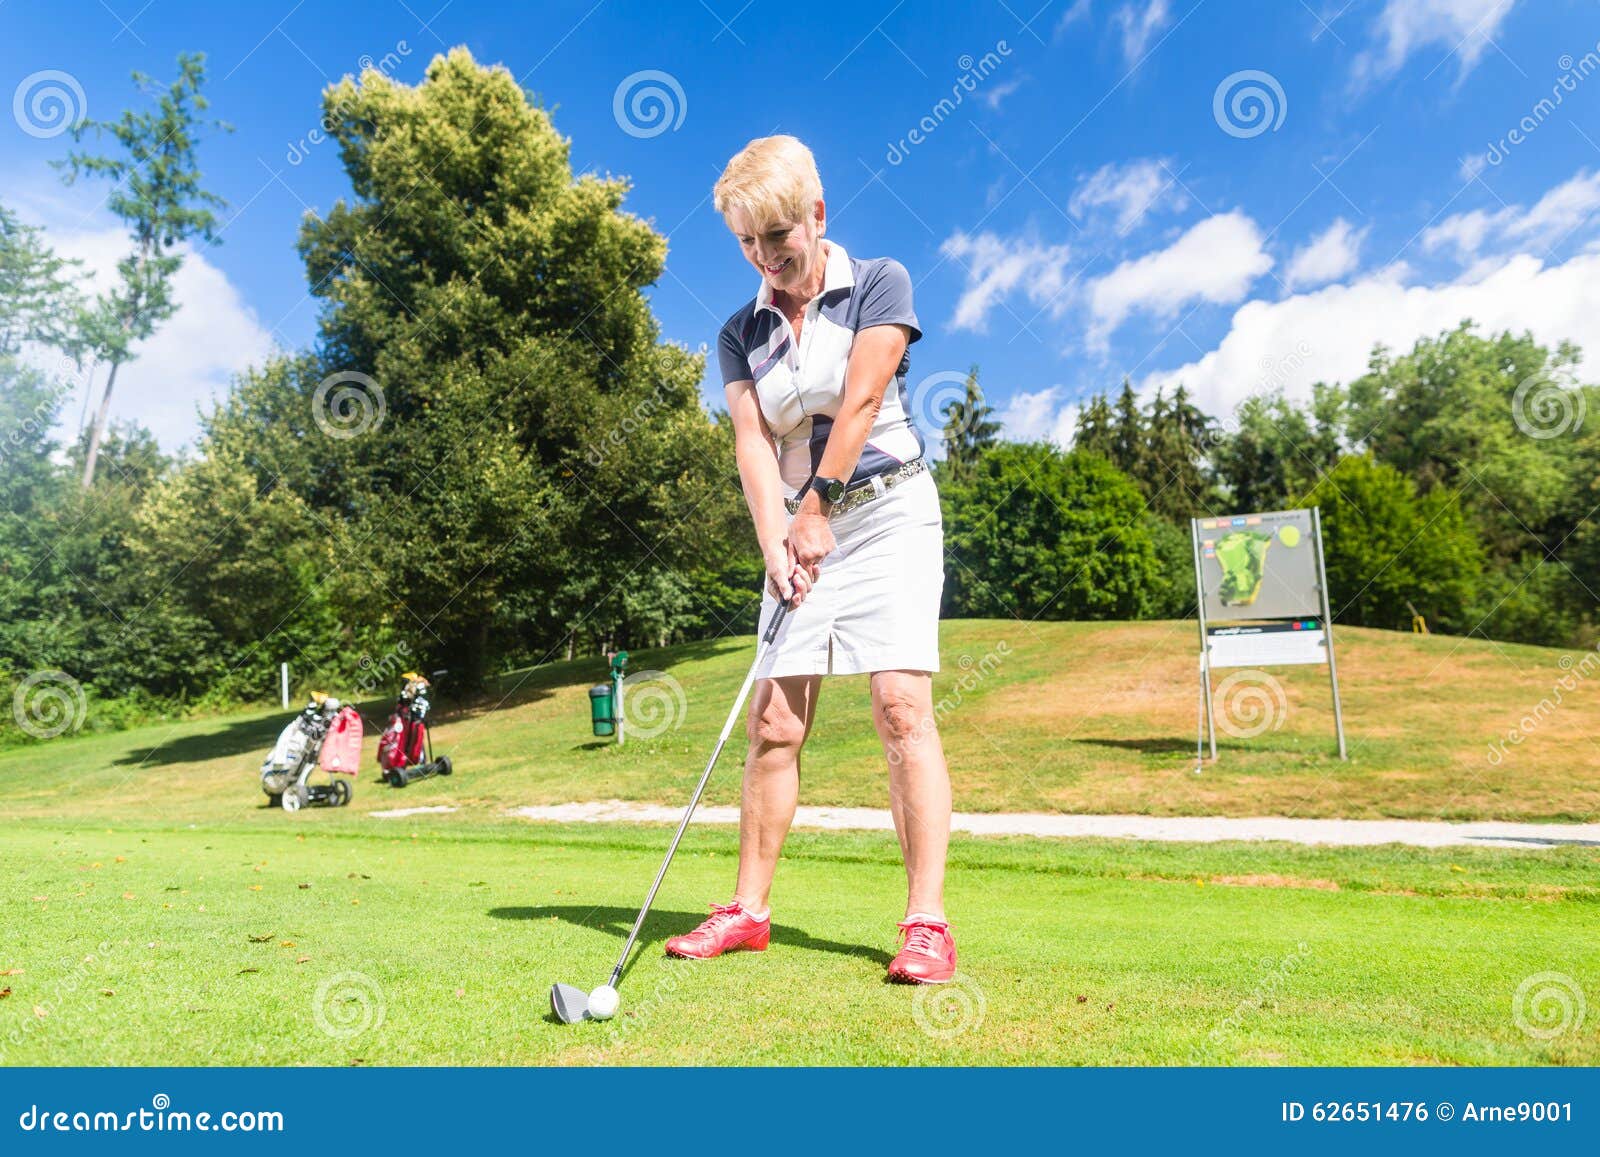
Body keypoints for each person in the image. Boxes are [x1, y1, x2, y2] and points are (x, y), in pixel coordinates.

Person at [663, 135, 955, 984]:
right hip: (797, 533)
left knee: (901, 706)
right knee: (774, 722)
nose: (765, 258)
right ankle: (748, 911)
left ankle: (927, 923)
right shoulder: (737, 332)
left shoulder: (879, 282)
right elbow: (755, 449)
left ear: (818, 215)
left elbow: (861, 398)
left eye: (778, 237)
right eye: (747, 243)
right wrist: (775, 544)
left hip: (887, 511)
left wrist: (818, 506)